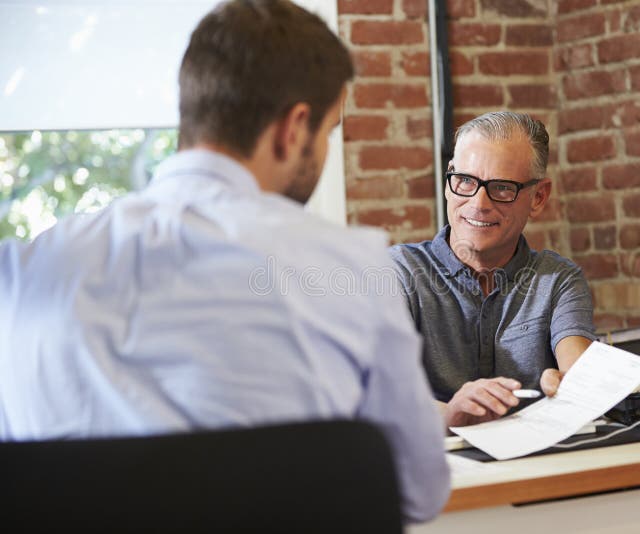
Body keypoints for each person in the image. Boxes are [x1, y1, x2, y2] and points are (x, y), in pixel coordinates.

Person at [0, 0, 449, 523]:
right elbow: (418, 489)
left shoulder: (23, 275)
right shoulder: (352, 268)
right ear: (294, 128)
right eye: (328, 133)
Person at [390, 111, 595, 429]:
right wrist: (451, 414)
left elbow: (578, 373)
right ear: (449, 181)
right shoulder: (399, 272)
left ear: (538, 197)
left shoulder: (558, 280)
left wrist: (571, 387)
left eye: (501, 187)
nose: (479, 203)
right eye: (465, 181)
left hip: (532, 458)